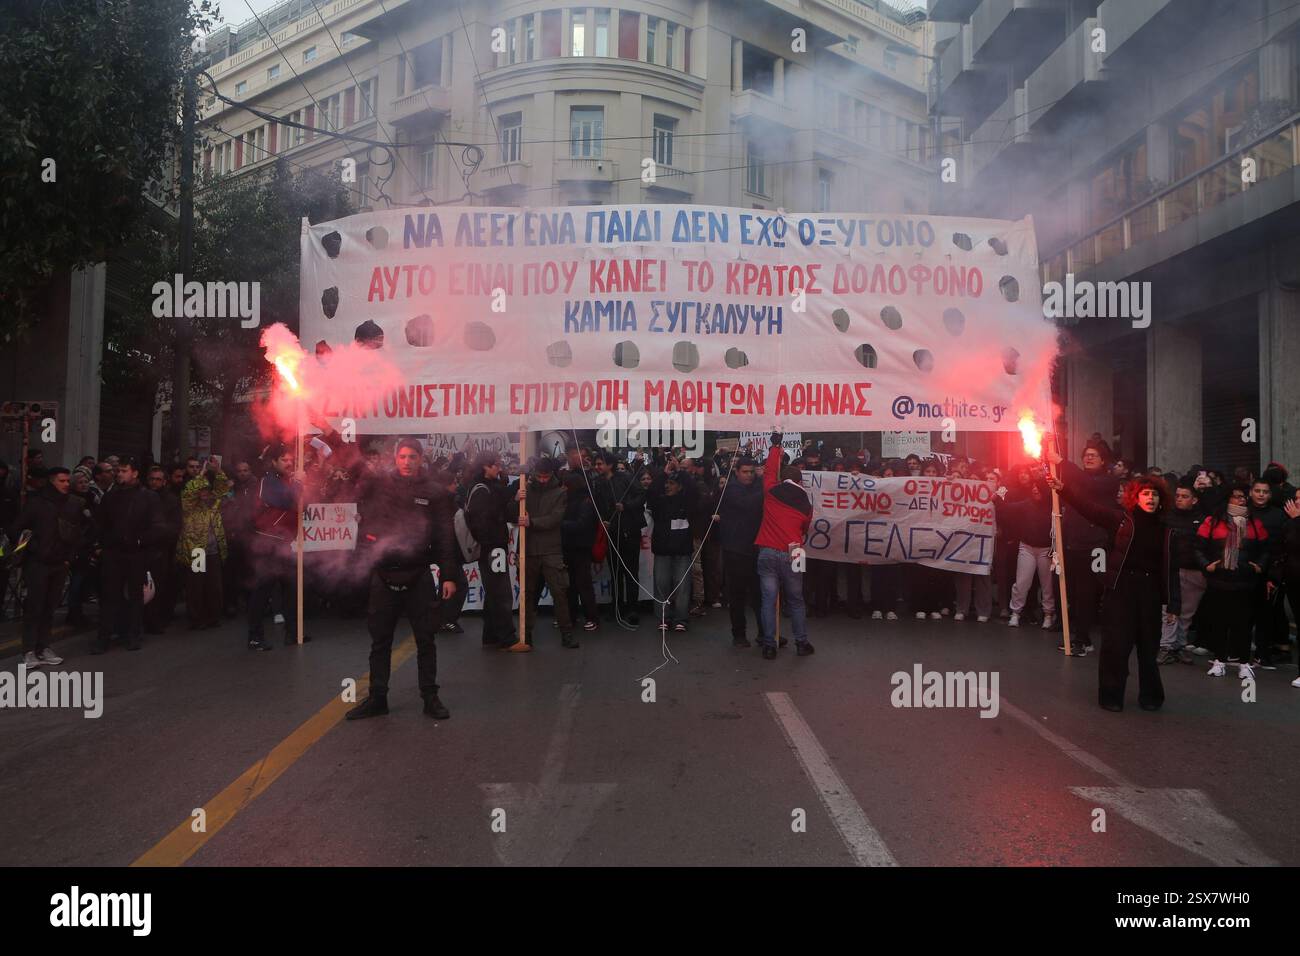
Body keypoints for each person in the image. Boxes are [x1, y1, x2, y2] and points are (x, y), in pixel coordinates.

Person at [346, 439, 459, 720]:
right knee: (380, 641)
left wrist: (449, 576)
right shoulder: (380, 484)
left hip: (418, 573)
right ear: (395, 458)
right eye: (402, 457)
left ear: (421, 459)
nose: (407, 462)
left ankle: (430, 697)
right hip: (383, 574)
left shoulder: (435, 493)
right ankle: (377, 698)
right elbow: (352, 464)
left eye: (412, 457)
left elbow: (446, 538)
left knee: (426, 639)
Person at [1051, 460, 1176, 712]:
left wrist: (1173, 604)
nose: (1150, 498)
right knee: (1116, 645)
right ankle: (1111, 695)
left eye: (1154, 494)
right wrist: (1063, 489)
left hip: (1150, 591)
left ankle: (1151, 697)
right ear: (1135, 498)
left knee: (1148, 647)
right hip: (1121, 589)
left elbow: (1170, 570)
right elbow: (1089, 509)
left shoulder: (1167, 531)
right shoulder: (1121, 520)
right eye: (1145, 494)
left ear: (1161, 500)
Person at [7, 466, 83, 666]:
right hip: (38, 563)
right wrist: (33, 547)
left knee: (49, 606)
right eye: (62, 481)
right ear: (52, 481)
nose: (67, 484)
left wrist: (69, 557)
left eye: (68, 481)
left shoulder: (73, 504)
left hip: (60, 563)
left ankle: (44, 647)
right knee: (35, 607)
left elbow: (78, 533)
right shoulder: (37, 504)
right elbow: (16, 529)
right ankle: (29, 650)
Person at [1195, 484, 1270, 681]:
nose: (1241, 500)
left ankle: (1244, 663)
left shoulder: (1255, 523)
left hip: (1245, 582)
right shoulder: (1212, 522)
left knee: (1243, 624)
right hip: (1219, 581)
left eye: (1243, 496)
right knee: (1219, 623)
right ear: (1227, 499)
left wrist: (1258, 566)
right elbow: (1198, 548)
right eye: (1236, 497)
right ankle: (1219, 661)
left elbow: (1266, 549)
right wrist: (1207, 565)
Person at [93, 458, 163, 654]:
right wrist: (103, 544)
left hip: (136, 555)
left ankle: (133, 635)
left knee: (135, 597)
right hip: (113, 554)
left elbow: (157, 526)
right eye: (118, 471)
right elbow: (100, 524)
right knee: (109, 597)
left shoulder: (148, 497)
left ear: (135, 473)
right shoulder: (110, 497)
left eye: (124, 470)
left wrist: (140, 541)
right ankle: (103, 638)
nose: (119, 474)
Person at [1057, 442, 1120, 656]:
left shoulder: (1109, 481)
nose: (1088, 459)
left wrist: (1062, 462)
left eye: (1093, 456)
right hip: (1074, 542)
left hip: (1097, 545)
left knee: (1090, 591)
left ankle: (1084, 639)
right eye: (1086, 455)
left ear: (1103, 460)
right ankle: (1077, 635)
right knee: (1075, 592)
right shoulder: (1077, 480)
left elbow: (1089, 485)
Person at [755, 433, 814, 660]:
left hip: (768, 549)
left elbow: (769, 470)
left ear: (782, 479)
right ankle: (801, 642)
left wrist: (775, 445)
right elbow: (805, 527)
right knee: (796, 600)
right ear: (800, 481)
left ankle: (769, 644)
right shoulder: (806, 502)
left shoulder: (771, 491)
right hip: (795, 551)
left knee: (769, 599)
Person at [247, 444, 304, 650]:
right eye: (284, 460)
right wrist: (298, 485)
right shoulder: (267, 481)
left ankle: (292, 633)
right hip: (267, 543)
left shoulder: (289, 481)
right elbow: (285, 500)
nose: (289, 463)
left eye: (291, 460)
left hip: (283, 543)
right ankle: (254, 637)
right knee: (262, 591)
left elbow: (301, 504)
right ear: (273, 462)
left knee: (291, 589)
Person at [518, 457, 576, 648]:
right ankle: (525, 635)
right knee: (528, 594)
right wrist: (515, 498)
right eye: (539, 476)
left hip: (551, 551)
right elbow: (513, 513)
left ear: (551, 475)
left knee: (559, 593)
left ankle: (566, 634)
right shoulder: (525, 490)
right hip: (530, 549)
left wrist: (532, 522)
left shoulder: (560, 492)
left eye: (546, 476)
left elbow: (556, 518)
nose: (542, 480)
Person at [464, 451, 517, 648]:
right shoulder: (481, 490)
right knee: (500, 590)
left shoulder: (486, 487)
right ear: (486, 466)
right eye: (496, 465)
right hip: (493, 547)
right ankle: (507, 637)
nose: (500, 468)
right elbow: (484, 519)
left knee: (494, 590)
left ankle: (491, 634)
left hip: (494, 546)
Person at [175, 460, 231, 630]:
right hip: (198, 551)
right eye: (202, 491)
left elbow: (222, 488)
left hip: (213, 551)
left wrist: (218, 470)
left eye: (207, 490)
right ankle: (196, 618)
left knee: (214, 587)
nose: (205, 494)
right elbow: (189, 492)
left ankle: (213, 617)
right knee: (196, 587)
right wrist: (201, 474)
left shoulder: (214, 504)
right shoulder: (190, 505)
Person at [592, 452, 646, 625]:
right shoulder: (598, 482)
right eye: (597, 464)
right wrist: (603, 521)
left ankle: (632, 609)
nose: (597, 467)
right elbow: (598, 506)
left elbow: (641, 495)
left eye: (600, 464)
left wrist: (626, 506)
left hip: (629, 531)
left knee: (630, 571)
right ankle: (617, 606)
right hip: (611, 532)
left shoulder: (625, 478)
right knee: (615, 572)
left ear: (610, 464)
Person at [1158, 479, 1207, 664]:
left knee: (1187, 612)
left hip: (1193, 570)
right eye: (1177, 496)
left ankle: (1179, 645)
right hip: (1170, 568)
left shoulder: (1202, 518)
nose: (1179, 499)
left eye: (1184, 497)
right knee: (1169, 609)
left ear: (1194, 500)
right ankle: (1166, 645)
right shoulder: (1167, 517)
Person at [995, 478, 1055, 628]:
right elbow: (1008, 509)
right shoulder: (1027, 504)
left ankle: (1048, 614)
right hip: (1026, 547)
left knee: (1047, 585)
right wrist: (997, 499)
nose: (1034, 489)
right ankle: (1015, 613)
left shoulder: (1054, 507)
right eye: (1033, 486)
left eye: (1038, 487)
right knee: (1022, 582)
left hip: (1046, 550)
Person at [717, 455, 764, 647]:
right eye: (745, 472)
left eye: (752, 472)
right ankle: (739, 634)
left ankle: (765, 632)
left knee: (760, 594)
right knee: (737, 594)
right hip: (735, 549)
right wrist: (764, 484)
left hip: (755, 547)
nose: (749, 475)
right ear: (736, 472)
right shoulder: (730, 489)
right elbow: (748, 504)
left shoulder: (755, 487)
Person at [646, 456, 696, 631]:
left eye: (672, 483)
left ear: (680, 486)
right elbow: (651, 492)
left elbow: (693, 488)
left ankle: (681, 619)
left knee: (682, 587)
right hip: (662, 551)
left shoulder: (688, 501)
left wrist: (681, 471)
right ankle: (663, 618)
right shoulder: (659, 501)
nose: (668, 486)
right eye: (667, 483)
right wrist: (663, 474)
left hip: (682, 551)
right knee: (661, 585)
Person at [1246, 478, 1288, 667]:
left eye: (1265, 491)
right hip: (1244, 570)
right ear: (1251, 492)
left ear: (1270, 495)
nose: (1261, 494)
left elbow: (1282, 546)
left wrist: (1274, 575)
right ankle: (1238, 653)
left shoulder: (1279, 516)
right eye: (1257, 491)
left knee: (1265, 615)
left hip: (1270, 572)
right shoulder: (1243, 513)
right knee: (1243, 614)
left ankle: (1263, 654)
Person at [561, 471, 600, 632]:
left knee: (583, 584)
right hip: (569, 546)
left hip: (581, 547)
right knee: (569, 584)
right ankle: (571, 615)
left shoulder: (585, 502)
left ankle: (591, 617)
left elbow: (583, 524)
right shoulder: (569, 501)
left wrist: (561, 524)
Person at [144, 465, 180, 634]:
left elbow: (173, 526)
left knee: (159, 586)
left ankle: (157, 620)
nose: (154, 482)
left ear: (164, 481)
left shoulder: (170, 500)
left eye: (158, 479)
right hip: (142, 548)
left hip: (162, 549)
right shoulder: (142, 496)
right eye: (152, 479)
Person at [1277, 490, 1300, 687]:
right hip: (1293, 580)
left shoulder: (1295, 521)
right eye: (1297, 498)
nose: (1298, 502)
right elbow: (1284, 549)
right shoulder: (1290, 522)